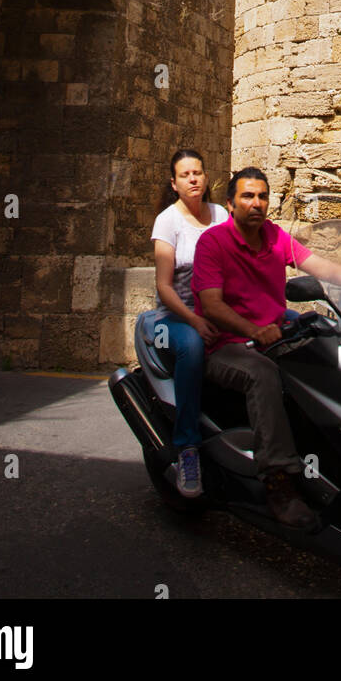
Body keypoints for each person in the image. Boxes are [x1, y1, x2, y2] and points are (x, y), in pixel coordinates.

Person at [191, 166, 341, 530]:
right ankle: (279, 481)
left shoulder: (275, 237)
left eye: (263, 196)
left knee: (330, 356)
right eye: (248, 196)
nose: (257, 204)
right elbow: (212, 305)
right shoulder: (213, 243)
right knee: (262, 375)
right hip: (227, 345)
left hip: (275, 336)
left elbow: (320, 267)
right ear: (230, 204)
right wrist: (254, 329)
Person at [148, 149, 229, 497]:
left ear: (206, 178)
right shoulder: (168, 221)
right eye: (185, 175)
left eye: (198, 172)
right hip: (172, 317)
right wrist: (194, 320)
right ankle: (188, 449)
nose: (193, 179)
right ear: (175, 183)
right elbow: (164, 287)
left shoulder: (222, 215)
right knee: (193, 347)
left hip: (214, 311)